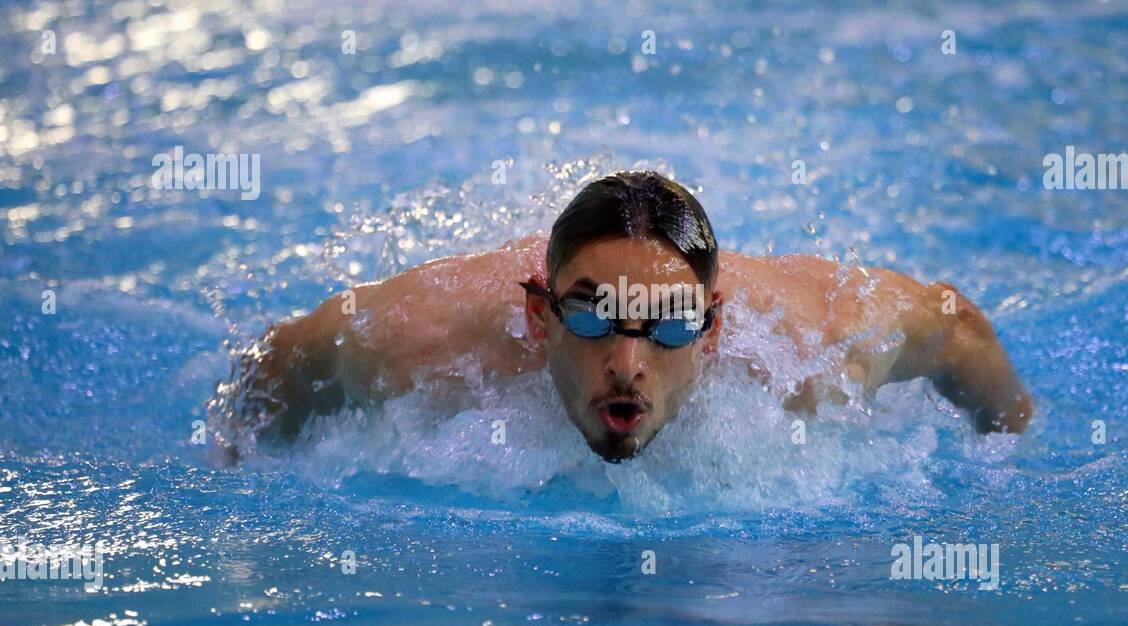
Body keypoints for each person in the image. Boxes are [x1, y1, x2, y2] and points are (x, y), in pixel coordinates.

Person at [220, 171, 1033, 463]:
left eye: (671, 325)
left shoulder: (812, 351)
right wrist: (235, 458)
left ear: (713, 328)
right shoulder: (418, 344)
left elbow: (959, 326)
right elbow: (279, 363)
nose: (629, 363)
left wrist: (1011, 447)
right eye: (594, 319)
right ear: (538, 315)